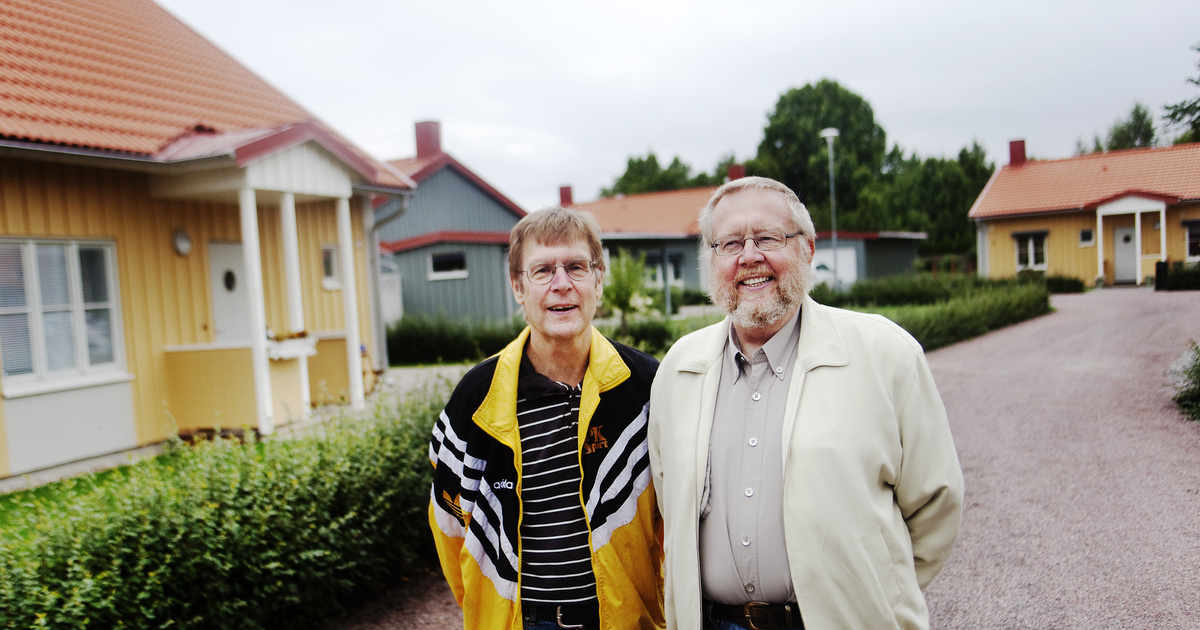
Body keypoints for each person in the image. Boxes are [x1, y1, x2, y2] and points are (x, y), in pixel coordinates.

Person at [648, 176, 963, 630]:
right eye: (730, 243)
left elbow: (936, 500)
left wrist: (874, 594)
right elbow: (667, 500)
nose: (749, 256)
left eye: (768, 238)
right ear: (711, 260)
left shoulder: (886, 354)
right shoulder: (679, 369)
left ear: (808, 249)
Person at [428, 207, 665, 630]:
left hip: (625, 621)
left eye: (576, 266)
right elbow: (449, 528)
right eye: (542, 271)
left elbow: (675, 518)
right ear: (518, 287)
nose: (562, 284)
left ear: (599, 281)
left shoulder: (647, 387)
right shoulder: (476, 399)